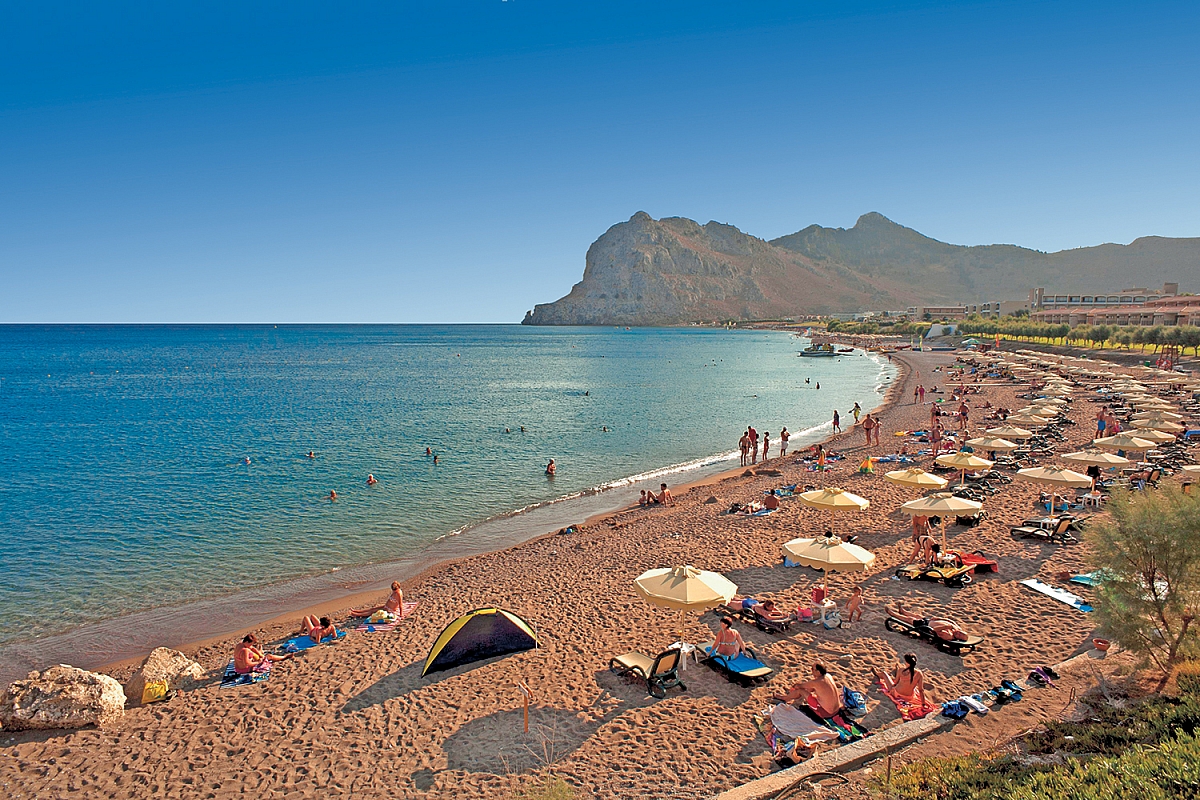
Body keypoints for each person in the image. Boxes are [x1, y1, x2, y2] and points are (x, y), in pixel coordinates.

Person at [775, 663, 842, 718]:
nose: (811, 670)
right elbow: (811, 688)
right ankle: (791, 697)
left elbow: (799, 686)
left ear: (818, 672)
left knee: (800, 691)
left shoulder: (816, 682)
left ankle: (784, 698)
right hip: (837, 710)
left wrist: (794, 687)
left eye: (812, 669)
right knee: (809, 689)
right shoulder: (828, 676)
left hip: (826, 712)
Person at [887, 602, 969, 642]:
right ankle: (903, 611)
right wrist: (939, 618)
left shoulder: (949, 636)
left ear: (958, 639)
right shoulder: (957, 628)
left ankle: (893, 614)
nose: (959, 633)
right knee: (917, 615)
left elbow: (934, 630)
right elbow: (951, 621)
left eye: (959, 635)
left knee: (910, 619)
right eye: (961, 632)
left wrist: (947, 627)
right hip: (930, 621)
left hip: (926, 627)